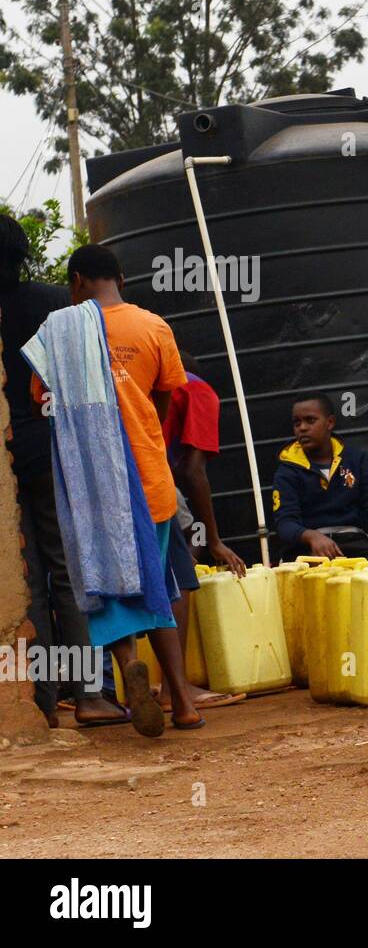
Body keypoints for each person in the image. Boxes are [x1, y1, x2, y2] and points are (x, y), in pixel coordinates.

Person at [24, 243, 203, 735]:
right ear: (121, 278)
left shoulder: (58, 331)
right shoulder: (153, 326)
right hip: (149, 476)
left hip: (91, 486)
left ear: (76, 281)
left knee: (105, 588)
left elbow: (40, 397)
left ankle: (127, 669)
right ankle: (184, 703)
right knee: (158, 586)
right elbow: (168, 394)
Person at [1, 216, 126, 727]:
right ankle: (93, 694)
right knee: (70, 567)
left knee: (23, 578)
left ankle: (40, 701)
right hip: (58, 446)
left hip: (8, 457)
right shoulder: (57, 303)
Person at [161, 350, 245, 711]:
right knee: (179, 571)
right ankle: (174, 689)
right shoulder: (198, 390)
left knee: (164, 566)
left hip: (121, 475)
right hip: (151, 475)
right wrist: (214, 540)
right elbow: (194, 472)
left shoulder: (155, 387)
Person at [271, 393, 368, 561]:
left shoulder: (357, 459)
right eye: (297, 423)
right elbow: (285, 523)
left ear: (329, 422)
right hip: (307, 549)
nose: (302, 428)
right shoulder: (287, 470)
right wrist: (311, 537)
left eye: (310, 420)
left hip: (355, 542)